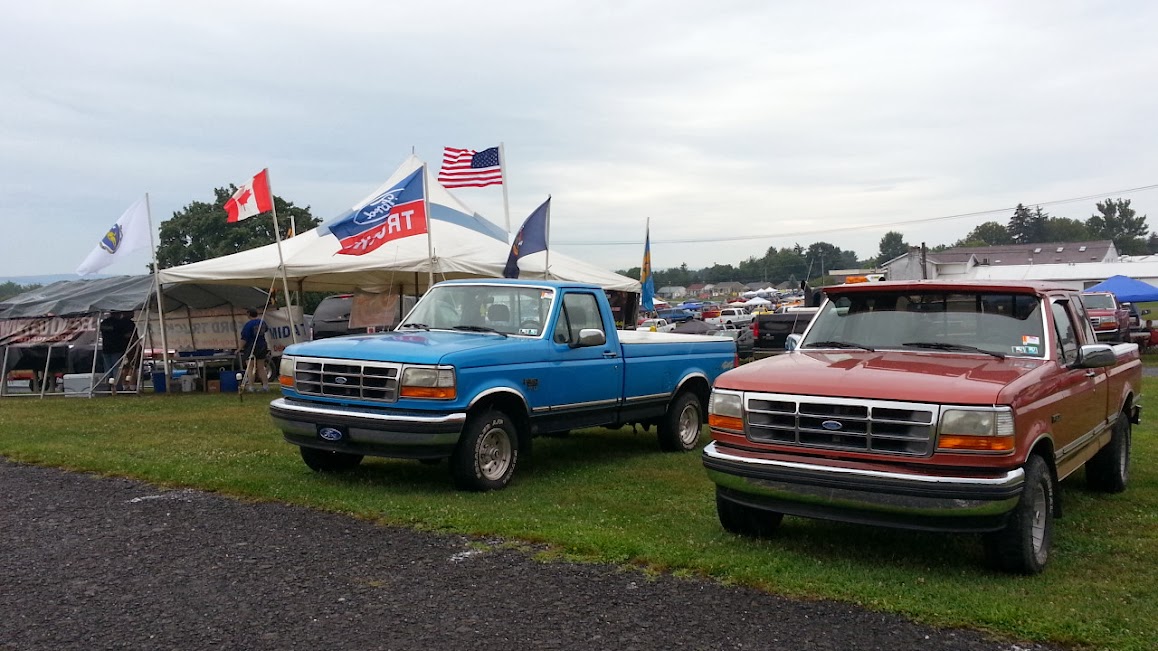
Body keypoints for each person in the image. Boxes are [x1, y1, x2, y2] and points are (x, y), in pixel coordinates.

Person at [99, 311, 135, 392]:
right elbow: (127, 335)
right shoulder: (120, 323)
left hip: (106, 348)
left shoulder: (104, 323)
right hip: (117, 348)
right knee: (117, 368)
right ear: (118, 314)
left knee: (108, 368)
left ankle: (109, 386)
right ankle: (116, 387)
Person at [239, 307, 270, 392]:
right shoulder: (262, 323)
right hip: (262, 345)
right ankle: (265, 386)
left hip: (251, 347)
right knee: (261, 367)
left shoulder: (248, 325)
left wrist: (239, 349)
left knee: (250, 367)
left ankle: (251, 387)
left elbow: (244, 339)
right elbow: (266, 330)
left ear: (249, 314)